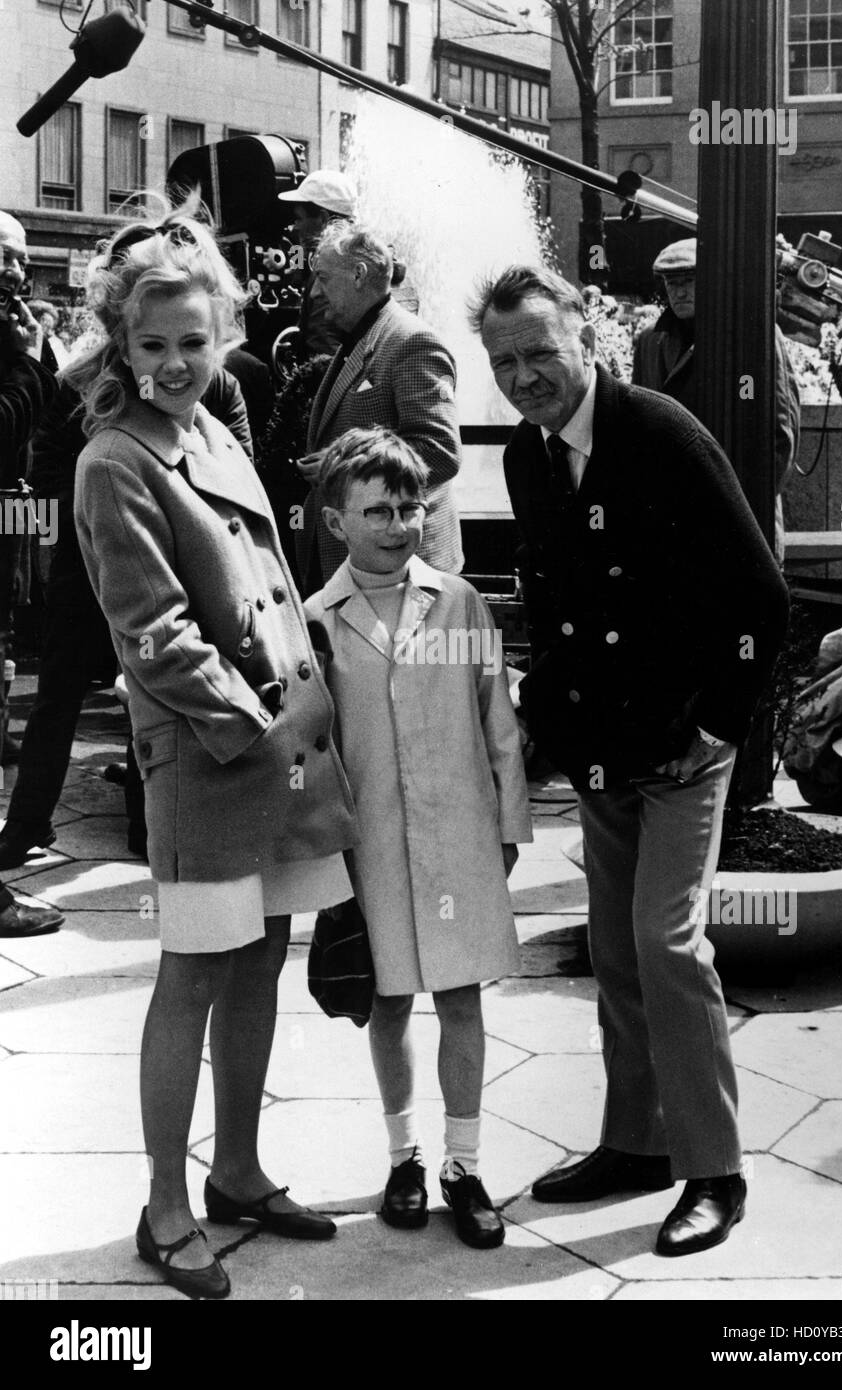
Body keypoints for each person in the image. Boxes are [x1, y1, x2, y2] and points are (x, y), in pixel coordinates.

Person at [70, 207, 358, 1300]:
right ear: (121, 346)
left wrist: (309, 702)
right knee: (191, 974)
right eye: (153, 346)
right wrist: (266, 722)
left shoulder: (212, 432)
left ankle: (236, 1170)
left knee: (259, 960)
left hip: (279, 748)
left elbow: (269, 588)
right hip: (207, 758)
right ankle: (164, 1202)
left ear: (224, 332)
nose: (176, 362)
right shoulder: (115, 459)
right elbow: (153, 636)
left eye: (194, 340)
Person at [472, 265, 789, 1257]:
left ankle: (713, 1170)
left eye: (539, 352)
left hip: (682, 747)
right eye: (504, 360)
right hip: (601, 748)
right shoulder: (528, 459)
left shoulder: (658, 432)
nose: (524, 375)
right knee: (612, 949)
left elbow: (758, 596)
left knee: (663, 942)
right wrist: (544, 726)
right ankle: (634, 1141)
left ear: (585, 342)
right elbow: (559, 602)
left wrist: (716, 728)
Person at [304, 426, 532, 1248]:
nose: (399, 526)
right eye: (378, 511)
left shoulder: (460, 601)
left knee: (462, 995)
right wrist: (324, 851)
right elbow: (317, 744)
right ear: (338, 522)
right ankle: (403, 1155)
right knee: (389, 997)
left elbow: (497, 718)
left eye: (410, 508)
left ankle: (464, 1165)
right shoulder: (317, 621)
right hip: (374, 843)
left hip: (459, 832)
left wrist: (509, 824)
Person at [0, 363, 256, 874]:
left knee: (152, 688)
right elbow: (48, 469)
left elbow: (240, 472)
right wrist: (56, 551)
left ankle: (146, 823)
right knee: (59, 694)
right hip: (87, 560)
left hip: (174, 568)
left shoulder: (218, 382)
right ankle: (29, 819)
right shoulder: (82, 381)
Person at [297, 223, 463, 592]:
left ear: (358, 275)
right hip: (379, 564)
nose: (316, 291)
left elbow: (440, 452)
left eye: (323, 277)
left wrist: (338, 467)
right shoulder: (366, 335)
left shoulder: (410, 341)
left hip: (403, 568)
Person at [632, 236, 800, 564]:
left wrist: (747, 506)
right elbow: (637, 427)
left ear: (711, 282)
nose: (678, 292)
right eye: (671, 283)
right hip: (672, 519)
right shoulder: (649, 341)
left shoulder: (755, 335)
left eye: (689, 282)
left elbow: (781, 434)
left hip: (742, 514)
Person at [0, 210, 64, 939]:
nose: (14, 275)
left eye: (19, 260)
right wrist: (25, 362)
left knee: (15, 624)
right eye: (3, 261)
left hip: (12, 516)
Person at [278, 169, 357, 363]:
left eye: (300, 218)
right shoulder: (360, 257)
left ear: (322, 219)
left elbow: (323, 351)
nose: (296, 226)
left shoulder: (330, 271)